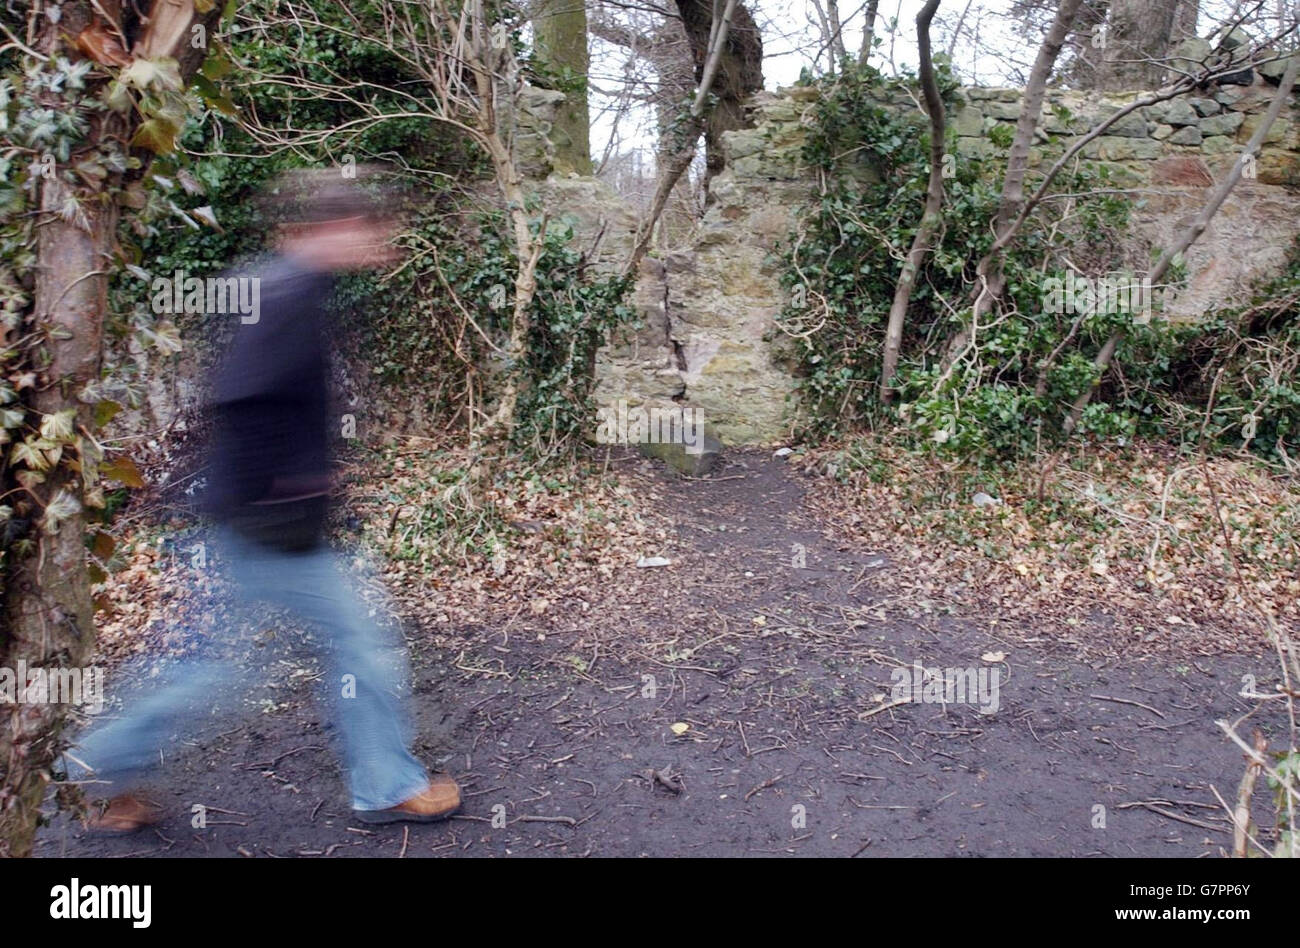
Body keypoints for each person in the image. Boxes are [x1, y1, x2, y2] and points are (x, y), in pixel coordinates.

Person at [68, 169, 460, 835]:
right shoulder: (284, 295)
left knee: (315, 649)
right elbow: (239, 397)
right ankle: (92, 764)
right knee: (228, 667)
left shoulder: (293, 286)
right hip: (257, 526)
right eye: (371, 231)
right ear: (335, 229)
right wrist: (293, 483)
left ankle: (383, 783)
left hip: (265, 521)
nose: (380, 245)